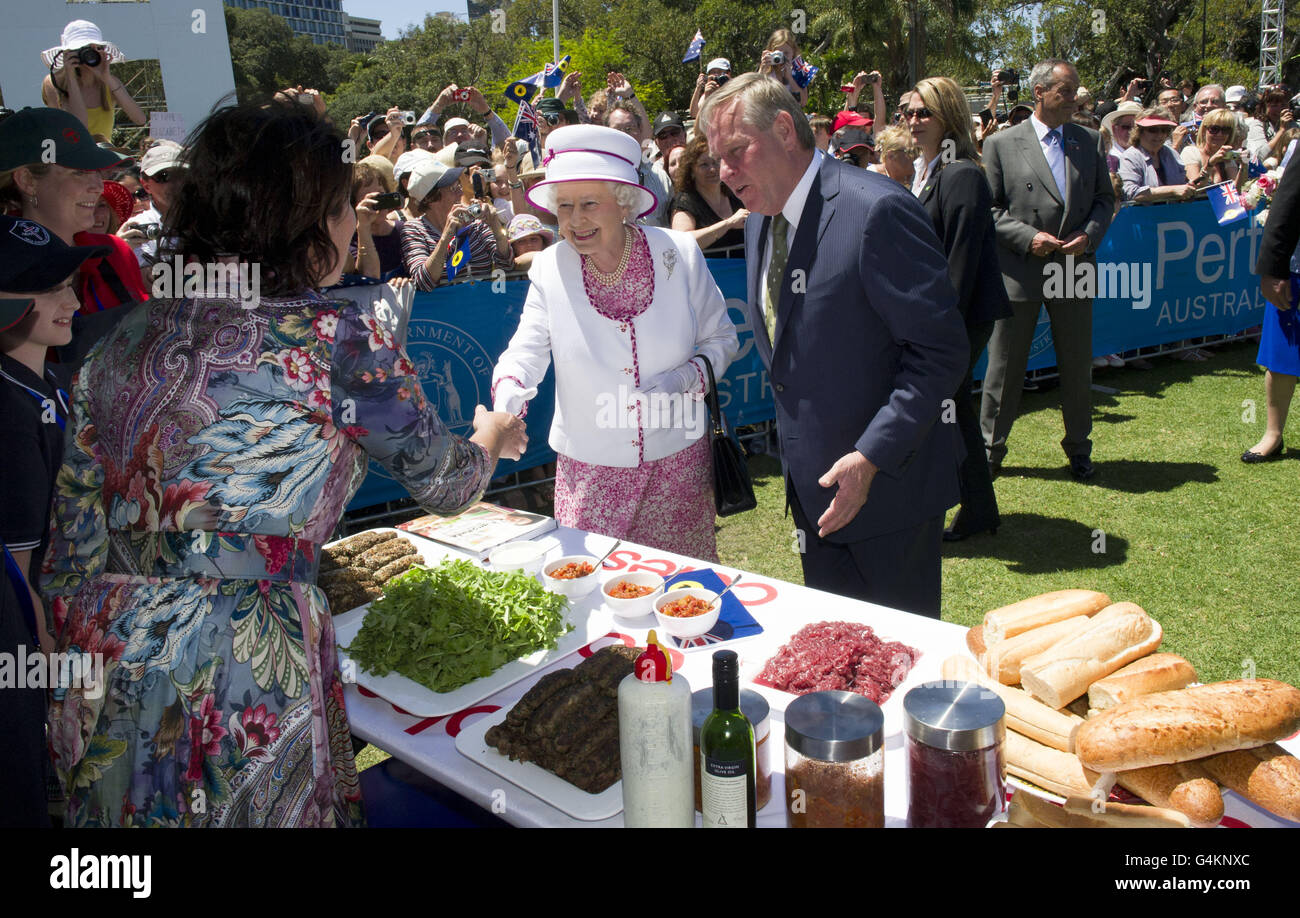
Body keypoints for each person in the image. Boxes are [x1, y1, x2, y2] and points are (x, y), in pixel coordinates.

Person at [41, 101, 526, 827]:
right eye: (341, 209)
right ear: (310, 221)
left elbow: (70, 535)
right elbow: (447, 481)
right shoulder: (333, 340)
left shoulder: (119, 337)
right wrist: (490, 436)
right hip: (241, 657)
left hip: (105, 648)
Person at [698, 73, 968, 617]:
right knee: (836, 665)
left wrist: (869, 456)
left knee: (899, 663)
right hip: (813, 496)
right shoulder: (757, 224)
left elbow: (939, 351)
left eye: (735, 151)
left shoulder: (876, 210)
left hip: (890, 492)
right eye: (715, 158)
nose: (724, 172)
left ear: (783, 129)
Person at [491, 125, 738, 561]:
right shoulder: (549, 268)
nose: (575, 219)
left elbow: (722, 338)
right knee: (593, 590)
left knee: (681, 588)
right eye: (564, 206)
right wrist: (507, 406)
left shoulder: (679, 253)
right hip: (591, 475)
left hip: (678, 465)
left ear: (624, 205)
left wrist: (683, 380)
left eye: (589, 204)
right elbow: (525, 352)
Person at [0, 218, 109, 827]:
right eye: (46, 290)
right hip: (41, 624)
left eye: (69, 284)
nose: (70, 301)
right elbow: (18, 561)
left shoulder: (54, 380)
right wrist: (42, 648)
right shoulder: (9, 407)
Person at [980, 59, 1115, 482]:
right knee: (1005, 367)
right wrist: (1028, 238)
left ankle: (1079, 448)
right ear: (1039, 91)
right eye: (1066, 89)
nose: (1074, 97)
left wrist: (1088, 237)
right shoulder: (1001, 144)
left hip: (1074, 268)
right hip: (1020, 270)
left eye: (1075, 90)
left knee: (1076, 363)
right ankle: (989, 451)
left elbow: (1104, 200)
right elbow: (990, 209)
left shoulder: (1090, 140)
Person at [907, 78, 1013, 542]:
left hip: (959, 316)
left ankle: (962, 505)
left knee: (942, 404)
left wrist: (941, 325)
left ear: (948, 116)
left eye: (923, 113)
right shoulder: (929, 170)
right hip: (944, 315)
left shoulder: (962, 173)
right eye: (910, 111)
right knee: (954, 406)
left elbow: (962, 260)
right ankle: (978, 508)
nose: (913, 120)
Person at [0, 108, 147, 364]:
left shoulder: (114, 252)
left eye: (98, 173)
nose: (98, 186)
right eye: (78, 172)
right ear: (27, 181)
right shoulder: (5, 268)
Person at [1245, 151, 1300, 462]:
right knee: (1282, 358)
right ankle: (1273, 434)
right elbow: (1287, 205)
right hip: (1296, 271)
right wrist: (1273, 270)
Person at [399, 157, 511, 290]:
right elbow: (424, 282)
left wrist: (495, 227)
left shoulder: (475, 223)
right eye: (453, 188)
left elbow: (506, 264)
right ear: (430, 198)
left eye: (459, 185)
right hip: (444, 309)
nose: (461, 192)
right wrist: (446, 237)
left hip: (483, 306)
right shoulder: (413, 230)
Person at [40, 20, 146, 139]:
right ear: (68, 53)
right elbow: (79, 128)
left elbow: (140, 119)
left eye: (94, 48)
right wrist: (71, 78)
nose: (88, 54)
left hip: (105, 154)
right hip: (70, 155)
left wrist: (107, 78)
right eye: (80, 49)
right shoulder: (54, 84)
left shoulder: (109, 83)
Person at [670, 134, 749, 255]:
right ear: (691, 170)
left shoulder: (735, 193)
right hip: (707, 272)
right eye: (704, 165)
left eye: (716, 162)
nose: (712, 169)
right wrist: (728, 224)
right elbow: (682, 241)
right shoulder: (685, 201)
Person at [118, 139, 186, 268]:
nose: (175, 183)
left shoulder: (212, 220)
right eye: (164, 176)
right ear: (145, 184)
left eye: (181, 174)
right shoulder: (136, 227)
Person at [1118, 108, 1195, 203]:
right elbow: (1131, 193)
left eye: (1164, 130)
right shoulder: (1130, 156)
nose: (1159, 135)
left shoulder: (1171, 153)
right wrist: (1172, 190)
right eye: (1153, 130)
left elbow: (1182, 183)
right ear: (1139, 131)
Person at [349, 155, 406, 281]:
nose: (377, 203)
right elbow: (369, 276)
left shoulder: (404, 231)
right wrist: (364, 229)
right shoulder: (348, 238)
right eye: (369, 198)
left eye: (381, 195)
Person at [1184, 108, 1246, 187]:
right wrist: (1210, 164)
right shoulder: (1191, 152)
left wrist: (1243, 166)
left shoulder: (1226, 156)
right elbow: (1195, 186)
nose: (1219, 134)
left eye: (1225, 130)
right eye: (1214, 129)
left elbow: (1235, 190)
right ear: (1204, 130)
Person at [758, 28, 810, 107]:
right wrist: (761, 71)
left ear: (793, 52)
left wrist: (789, 78)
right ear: (770, 52)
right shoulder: (766, 72)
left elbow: (803, 102)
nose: (782, 57)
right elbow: (754, 98)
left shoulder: (799, 71)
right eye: (778, 53)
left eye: (786, 53)